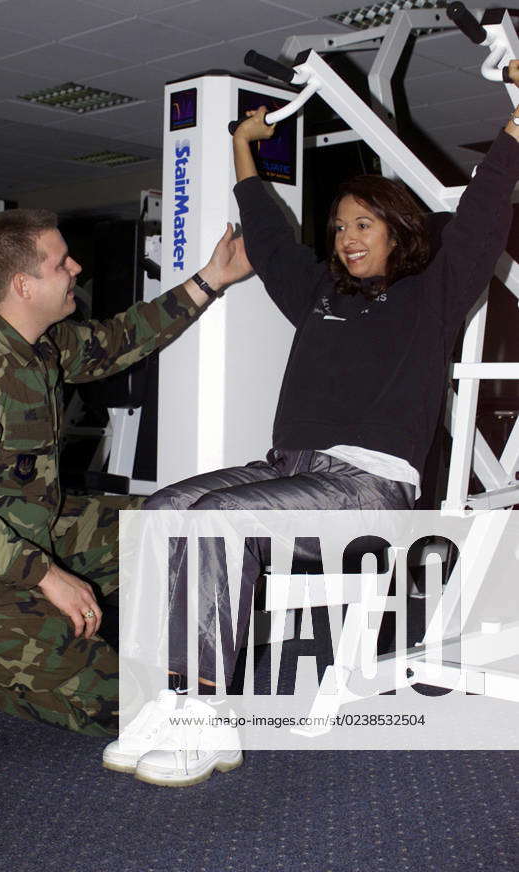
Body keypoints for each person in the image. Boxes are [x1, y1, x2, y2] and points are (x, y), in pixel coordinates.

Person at [106, 64, 519, 786]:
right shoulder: (320, 297)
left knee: (218, 522)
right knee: (164, 510)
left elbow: (485, 210)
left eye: (363, 224)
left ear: (398, 230)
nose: (346, 238)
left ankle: (203, 712)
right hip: (291, 471)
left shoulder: (432, 297)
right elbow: (267, 238)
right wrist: (243, 145)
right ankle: (157, 700)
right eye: (338, 227)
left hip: (371, 488)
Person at [0, 207, 252, 737]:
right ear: (24, 285)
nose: (76, 268)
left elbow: (117, 341)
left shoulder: (41, 342)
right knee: (131, 706)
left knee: (177, 530)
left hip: (35, 526)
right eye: (61, 262)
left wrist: (211, 280)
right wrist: (50, 578)